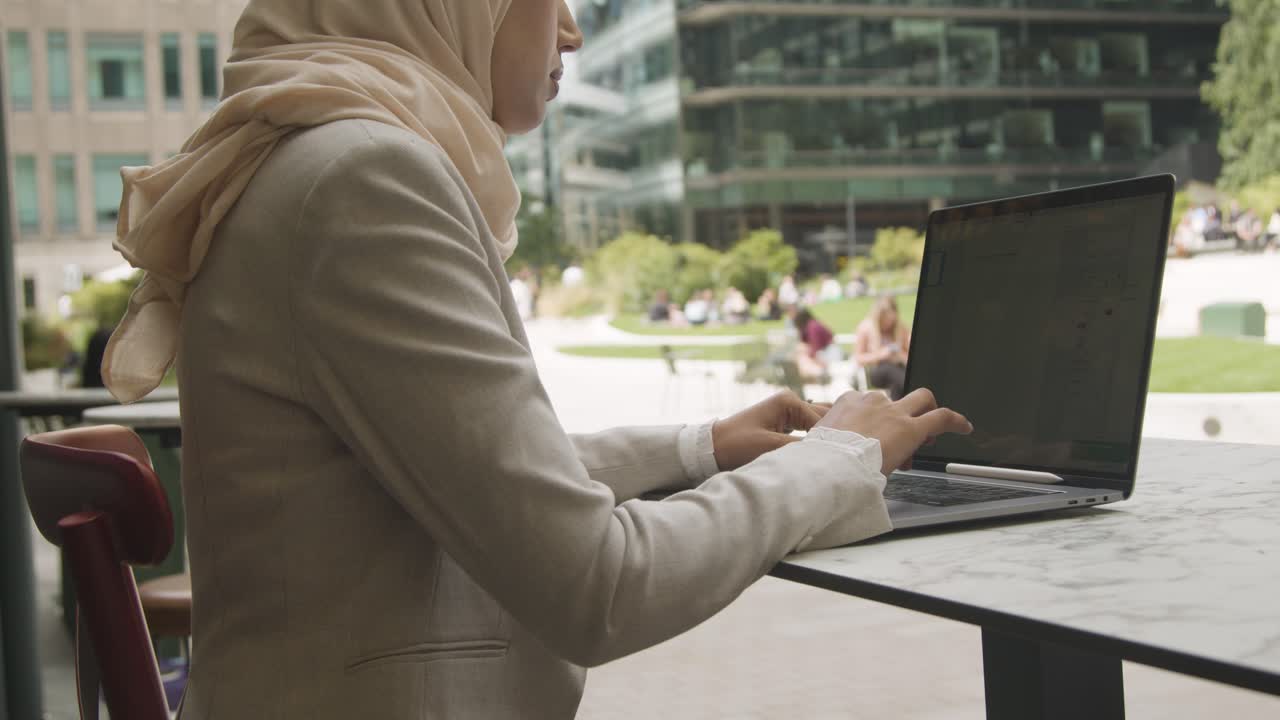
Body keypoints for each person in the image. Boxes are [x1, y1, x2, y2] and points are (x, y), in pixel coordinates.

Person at [97, 2, 971, 718]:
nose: (572, 32)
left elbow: (456, 471)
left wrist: (698, 448)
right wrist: (839, 458)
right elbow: (599, 586)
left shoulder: (311, 158)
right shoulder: (362, 178)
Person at [854, 296, 912, 400]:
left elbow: (908, 355)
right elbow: (859, 358)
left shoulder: (900, 328)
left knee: (898, 382)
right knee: (900, 377)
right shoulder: (866, 328)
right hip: (876, 369)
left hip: (897, 368)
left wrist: (899, 356)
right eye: (884, 319)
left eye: (890, 320)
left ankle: (898, 407)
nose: (888, 324)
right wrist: (881, 355)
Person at [791, 307, 837, 381]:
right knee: (801, 353)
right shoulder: (810, 325)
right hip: (825, 352)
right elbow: (804, 342)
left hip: (828, 353)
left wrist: (808, 355)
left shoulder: (812, 326)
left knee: (802, 358)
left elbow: (816, 347)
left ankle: (818, 375)